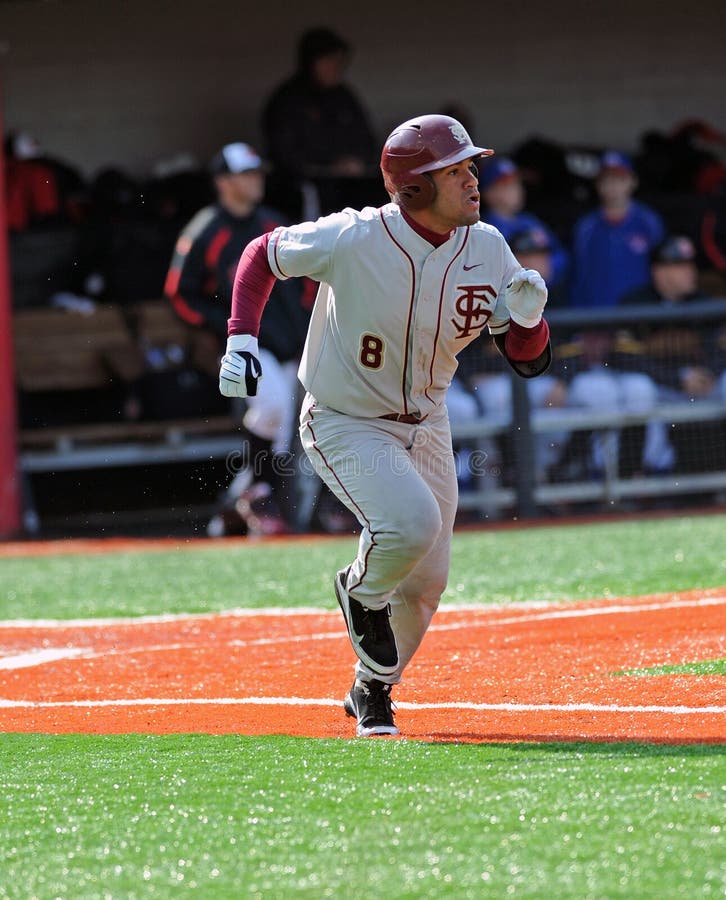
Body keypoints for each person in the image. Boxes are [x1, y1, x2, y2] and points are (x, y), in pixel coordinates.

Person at [218, 114, 552, 737]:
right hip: (346, 418)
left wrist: (530, 321)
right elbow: (261, 254)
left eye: (470, 167)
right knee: (411, 525)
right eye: (455, 171)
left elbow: (528, 363)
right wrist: (241, 338)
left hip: (427, 420)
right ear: (416, 188)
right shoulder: (354, 237)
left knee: (428, 580)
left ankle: (372, 688)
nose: (473, 180)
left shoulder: (488, 247)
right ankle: (359, 590)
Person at [165, 142, 310, 536]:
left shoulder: (272, 222)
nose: (255, 180)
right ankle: (262, 493)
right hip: (244, 344)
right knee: (274, 407)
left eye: (257, 173)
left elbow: (306, 279)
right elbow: (179, 293)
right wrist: (224, 324)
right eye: (246, 174)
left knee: (288, 426)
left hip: (289, 340)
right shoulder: (206, 230)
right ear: (223, 182)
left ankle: (243, 501)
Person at [261, 27, 381, 218]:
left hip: (348, 188)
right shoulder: (287, 99)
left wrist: (357, 162)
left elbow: (367, 140)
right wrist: (328, 168)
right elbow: (283, 154)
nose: (334, 67)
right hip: (301, 190)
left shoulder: (345, 97)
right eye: (328, 61)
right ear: (311, 62)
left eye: (339, 62)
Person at [571, 150, 665, 308]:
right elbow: (578, 276)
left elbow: (662, 271)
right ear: (598, 185)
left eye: (619, 179)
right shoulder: (586, 226)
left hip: (642, 315)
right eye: (606, 180)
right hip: (597, 317)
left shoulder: (648, 221)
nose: (613, 186)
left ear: (633, 181)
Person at [479, 156, 569, 292]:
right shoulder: (482, 229)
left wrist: (547, 267)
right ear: (488, 193)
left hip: (541, 299)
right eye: (506, 186)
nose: (515, 191)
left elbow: (561, 256)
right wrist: (521, 269)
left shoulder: (530, 222)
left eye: (517, 184)